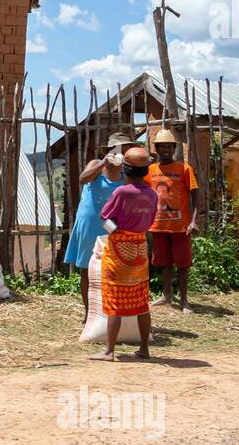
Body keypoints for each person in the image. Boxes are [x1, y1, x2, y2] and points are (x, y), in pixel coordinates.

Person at [91, 146, 159, 362]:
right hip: (140, 249)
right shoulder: (152, 193)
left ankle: (109, 351)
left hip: (119, 249)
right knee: (141, 300)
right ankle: (145, 349)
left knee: (114, 299)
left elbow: (105, 216)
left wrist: (115, 230)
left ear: (125, 170)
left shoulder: (121, 192)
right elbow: (150, 221)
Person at [63, 131, 138, 321]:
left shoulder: (125, 173)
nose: (122, 153)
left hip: (112, 225)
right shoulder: (96, 164)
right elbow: (83, 179)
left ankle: (109, 311)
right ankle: (90, 313)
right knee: (87, 268)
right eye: (120, 149)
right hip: (90, 222)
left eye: (126, 149)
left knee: (113, 268)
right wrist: (103, 163)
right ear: (110, 150)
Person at [146, 128, 200, 313]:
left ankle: (184, 301)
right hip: (158, 225)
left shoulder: (184, 169)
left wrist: (194, 221)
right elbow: (144, 194)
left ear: (174, 148)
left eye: (169, 146)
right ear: (157, 149)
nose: (166, 150)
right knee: (164, 262)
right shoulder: (151, 170)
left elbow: (195, 195)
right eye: (162, 147)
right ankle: (166, 296)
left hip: (180, 226)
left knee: (183, 264)